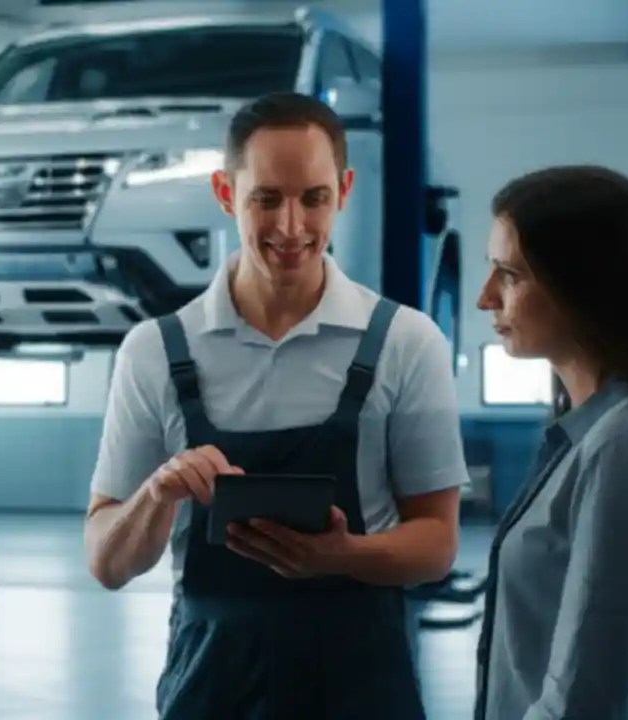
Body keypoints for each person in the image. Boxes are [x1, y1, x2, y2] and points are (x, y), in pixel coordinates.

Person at [82, 91, 468, 719]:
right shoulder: (153, 352)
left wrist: (342, 558)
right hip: (211, 684)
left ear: (342, 191)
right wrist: (156, 495)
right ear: (226, 193)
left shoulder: (404, 341)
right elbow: (106, 561)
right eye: (266, 199)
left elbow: (437, 543)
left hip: (361, 683)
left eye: (314, 198)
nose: (291, 227)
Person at [473, 165, 628, 720]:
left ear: (581, 284)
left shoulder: (626, 445)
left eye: (509, 274)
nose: (486, 298)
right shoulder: (590, 433)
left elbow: (585, 698)